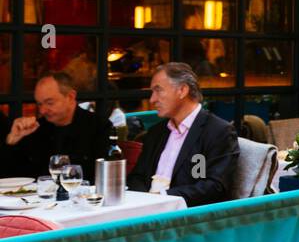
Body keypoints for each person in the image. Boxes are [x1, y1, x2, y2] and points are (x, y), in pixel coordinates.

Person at [127, 63, 240, 207]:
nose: (152, 99)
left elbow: (213, 186)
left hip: (188, 219)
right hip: (146, 215)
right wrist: (146, 201)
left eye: (158, 90)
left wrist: (162, 198)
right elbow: (137, 176)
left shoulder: (218, 131)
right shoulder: (156, 132)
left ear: (182, 90)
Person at [3, 73, 112, 179]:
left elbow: (105, 176)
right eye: (39, 104)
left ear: (70, 97)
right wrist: (12, 141)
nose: (42, 110)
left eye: (49, 103)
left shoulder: (98, 126)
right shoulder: (36, 129)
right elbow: (11, 176)